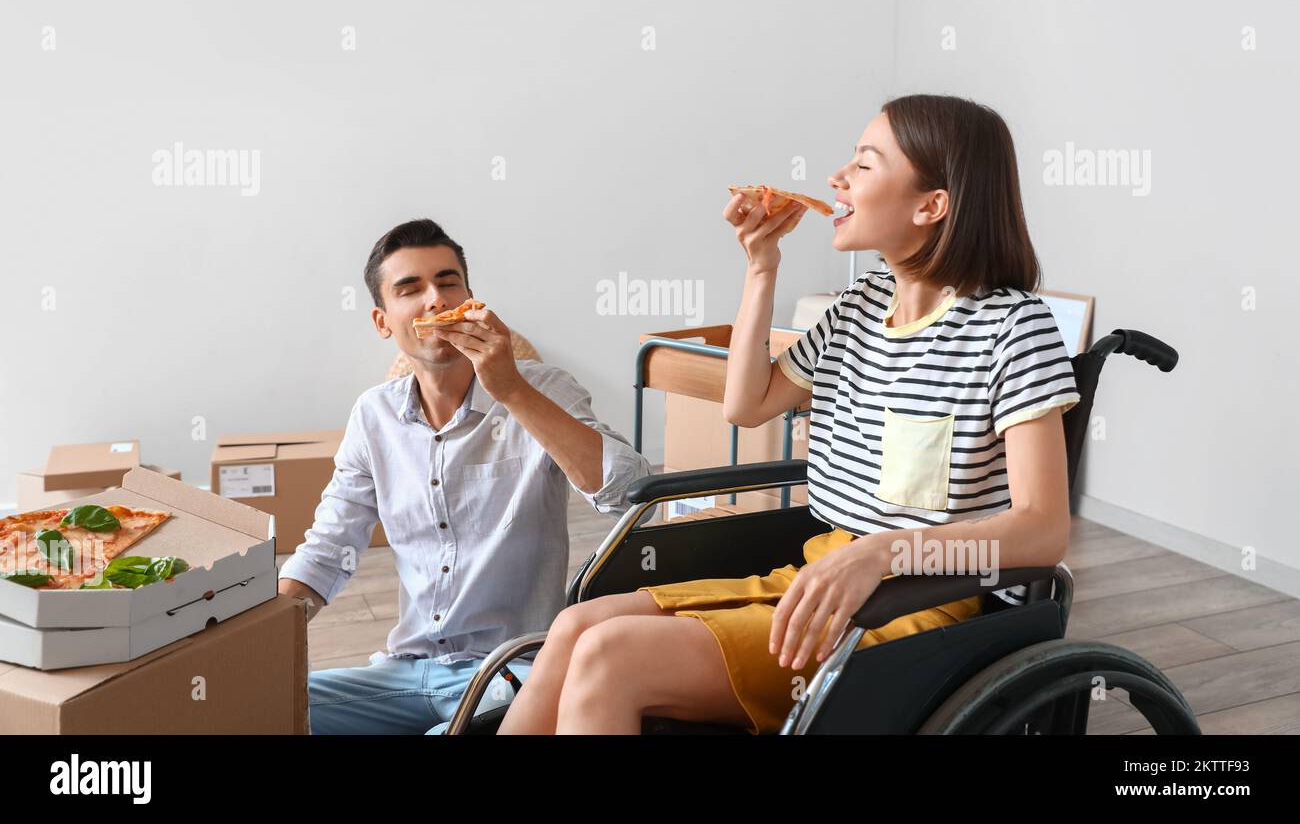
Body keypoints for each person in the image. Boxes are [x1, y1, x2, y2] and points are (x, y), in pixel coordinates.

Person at [496, 94, 1081, 734]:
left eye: (865, 164)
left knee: (609, 657)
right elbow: (748, 404)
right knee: (576, 624)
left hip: (923, 609)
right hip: (820, 574)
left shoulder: (1011, 328)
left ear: (930, 205)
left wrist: (885, 555)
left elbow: (1043, 530)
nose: (837, 179)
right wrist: (760, 268)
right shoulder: (860, 305)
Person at [277, 218, 650, 734]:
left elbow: (629, 494)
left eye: (448, 282)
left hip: (509, 673)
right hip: (402, 672)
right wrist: (253, 639)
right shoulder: (373, 415)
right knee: (257, 708)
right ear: (383, 321)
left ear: (471, 297)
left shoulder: (541, 388)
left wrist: (511, 390)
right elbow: (328, 546)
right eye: (411, 289)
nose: (435, 299)